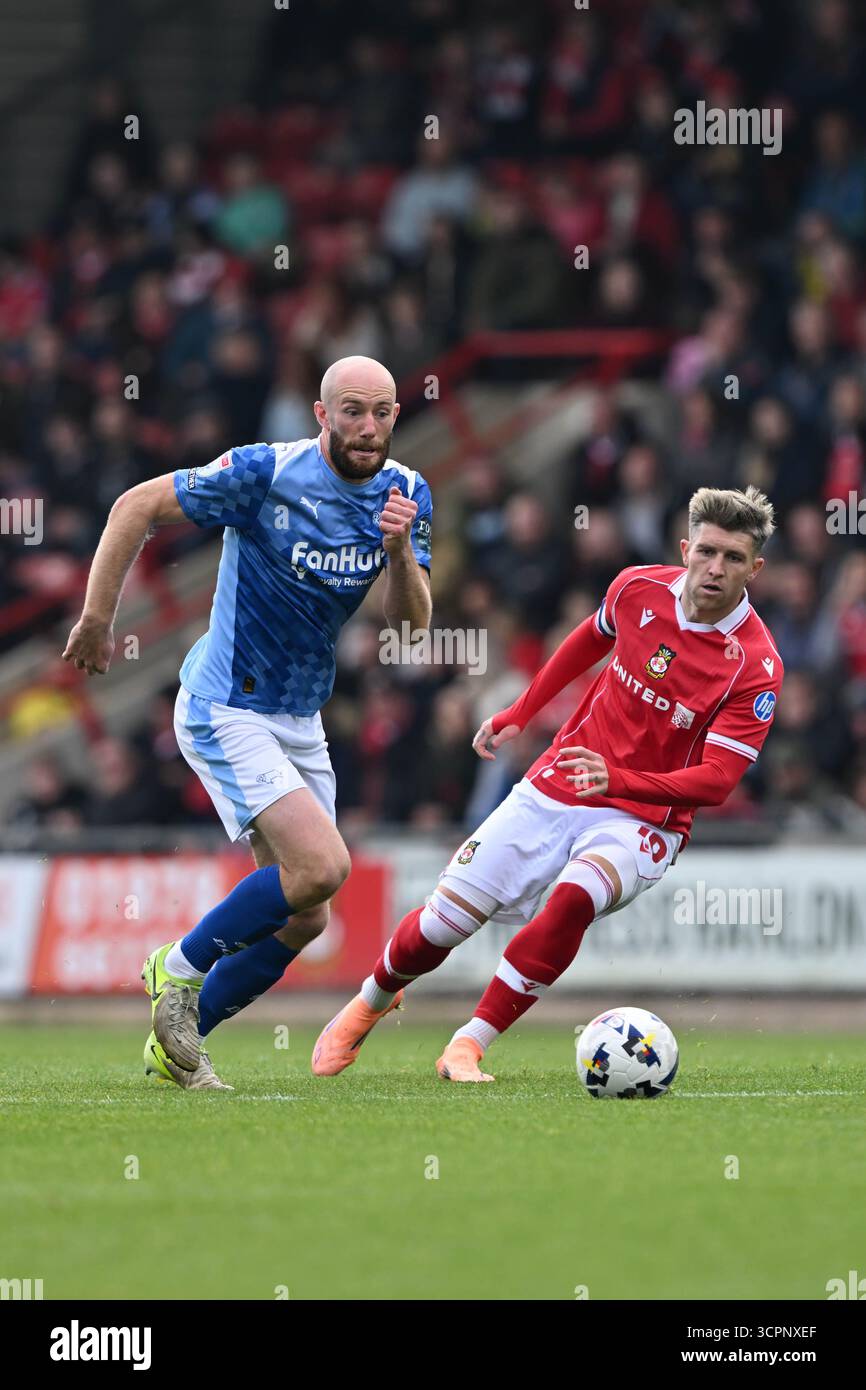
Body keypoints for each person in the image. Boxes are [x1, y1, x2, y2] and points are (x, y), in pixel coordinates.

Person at [312, 486, 783, 1082]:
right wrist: (520, 711)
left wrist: (620, 779)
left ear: (755, 568)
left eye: (734, 559)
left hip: (643, 819)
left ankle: (468, 1043)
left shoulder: (755, 665)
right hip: (561, 779)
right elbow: (590, 638)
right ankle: (368, 1003)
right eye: (708, 552)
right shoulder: (637, 588)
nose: (717, 569)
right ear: (686, 548)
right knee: (441, 925)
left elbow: (717, 782)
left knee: (573, 899)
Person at [62, 356, 432, 1089]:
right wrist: (98, 619)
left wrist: (397, 550)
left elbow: (412, 626)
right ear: (321, 415)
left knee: (308, 916)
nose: (368, 426)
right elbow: (135, 505)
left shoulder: (407, 493)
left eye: (382, 411)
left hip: (299, 713)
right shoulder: (266, 473)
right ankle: (178, 965)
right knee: (323, 866)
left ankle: (179, 1043)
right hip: (227, 702)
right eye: (351, 410)